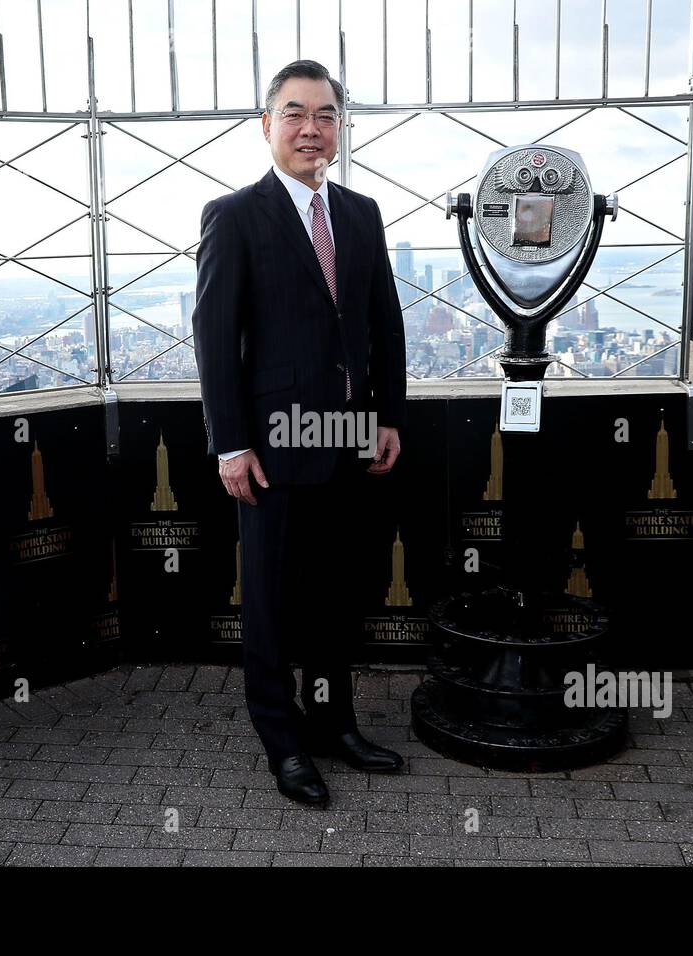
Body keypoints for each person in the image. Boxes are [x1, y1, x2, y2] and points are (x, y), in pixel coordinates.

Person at [192, 60, 408, 807]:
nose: (311, 128)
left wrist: (388, 416)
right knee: (272, 607)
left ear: (340, 127)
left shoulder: (362, 212)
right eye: (294, 113)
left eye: (324, 115)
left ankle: (334, 724)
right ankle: (283, 746)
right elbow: (215, 339)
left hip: (347, 440)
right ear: (266, 125)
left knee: (334, 597)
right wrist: (230, 443)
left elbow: (385, 323)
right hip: (273, 449)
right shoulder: (234, 216)